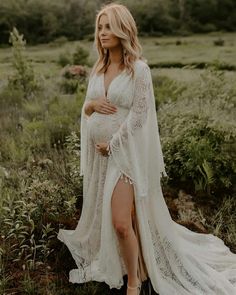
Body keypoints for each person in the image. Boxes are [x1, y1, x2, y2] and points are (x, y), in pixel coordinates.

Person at [57, 3, 236, 295]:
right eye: (100, 27)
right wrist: (90, 106)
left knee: (120, 223)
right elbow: (87, 108)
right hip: (101, 158)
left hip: (125, 157)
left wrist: (112, 144)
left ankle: (134, 283)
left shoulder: (139, 69)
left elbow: (140, 116)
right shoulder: (99, 67)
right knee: (128, 218)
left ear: (123, 29)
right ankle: (135, 266)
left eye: (108, 27)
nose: (102, 33)